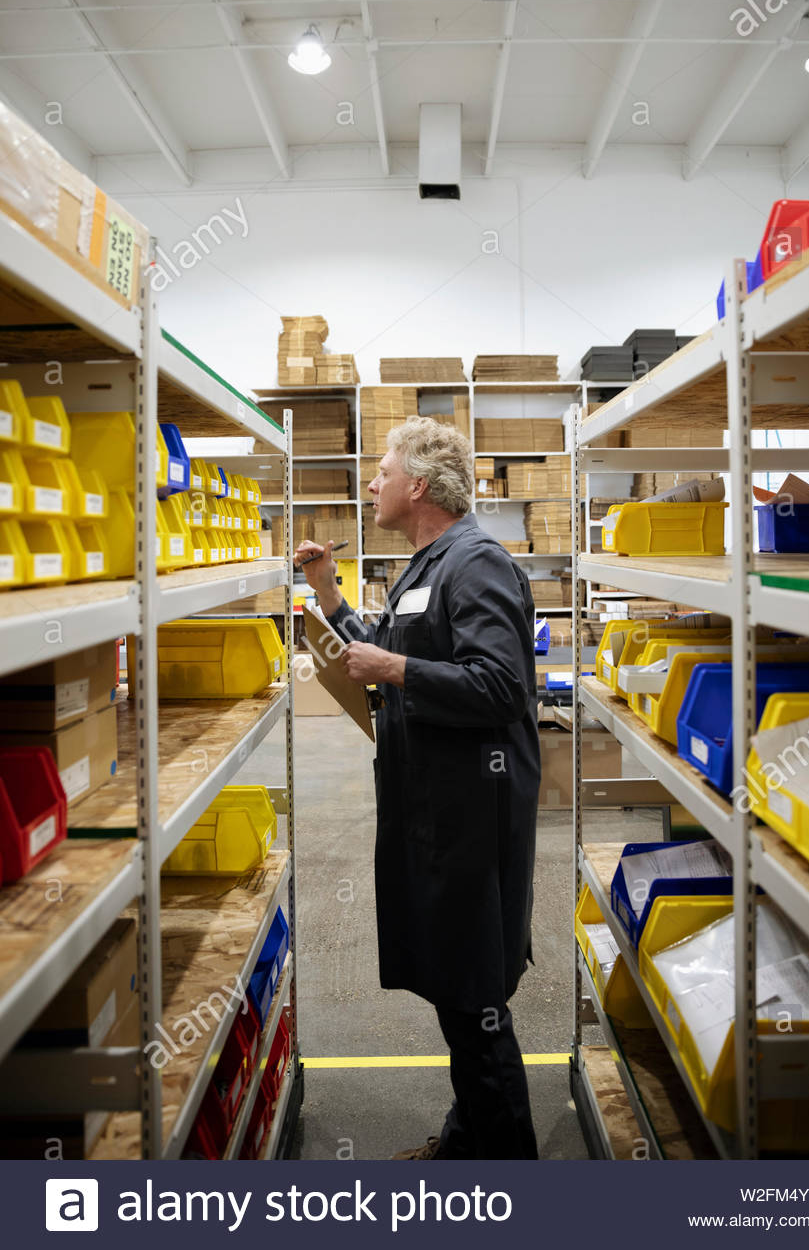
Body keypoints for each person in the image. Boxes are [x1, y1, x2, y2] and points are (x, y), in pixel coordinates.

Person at [294, 415, 540, 1160]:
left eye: (381, 472)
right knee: (454, 986)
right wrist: (328, 594)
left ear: (419, 485)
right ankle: (472, 1143)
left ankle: (508, 1169)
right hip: (433, 808)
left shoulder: (477, 565)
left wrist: (395, 671)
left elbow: (501, 686)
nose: (371, 484)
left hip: (471, 814)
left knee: (473, 994)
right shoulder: (426, 565)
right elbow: (389, 648)